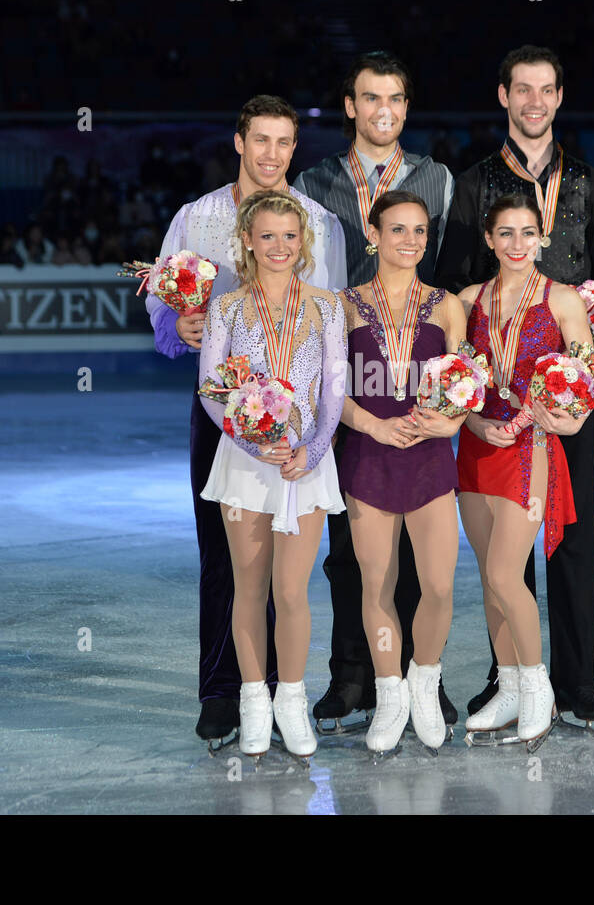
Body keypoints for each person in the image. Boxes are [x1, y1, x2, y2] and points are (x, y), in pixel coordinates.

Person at [435, 45, 594, 734]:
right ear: (503, 96)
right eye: (523, 89)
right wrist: (465, 390)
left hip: (565, 403)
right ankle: (506, 676)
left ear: (559, 98)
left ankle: (577, 682)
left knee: (573, 537)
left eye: (547, 89)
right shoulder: (472, 184)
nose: (534, 102)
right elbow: (454, 296)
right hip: (495, 406)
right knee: (497, 549)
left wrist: (577, 386)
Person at [145, 95, 347, 752]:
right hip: (225, 414)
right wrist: (178, 326)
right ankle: (222, 691)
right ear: (239, 141)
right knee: (225, 556)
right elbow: (161, 306)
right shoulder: (196, 219)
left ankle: (287, 688)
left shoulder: (317, 222)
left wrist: (318, 432)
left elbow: (334, 321)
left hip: (302, 425)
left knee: (291, 568)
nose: (271, 154)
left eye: (284, 142)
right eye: (260, 139)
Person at [292, 51, 456, 734]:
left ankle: (425, 681)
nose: (382, 109)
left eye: (394, 97)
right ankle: (353, 677)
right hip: (345, 379)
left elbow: (440, 263)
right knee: (348, 550)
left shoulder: (436, 180)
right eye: (369, 98)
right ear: (350, 106)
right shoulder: (314, 181)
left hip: (412, 378)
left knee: (423, 560)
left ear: (406, 107)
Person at [197, 189, 348, 762]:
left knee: (292, 591)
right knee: (250, 588)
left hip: (306, 462)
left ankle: (291, 700)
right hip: (247, 463)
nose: (279, 246)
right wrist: (248, 438)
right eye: (267, 236)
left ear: (302, 241)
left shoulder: (328, 306)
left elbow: (335, 387)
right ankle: (254, 702)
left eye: (289, 236)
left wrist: (314, 448)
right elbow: (212, 389)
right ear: (248, 242)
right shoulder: (227, 308)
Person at [455, 194, 594, 748]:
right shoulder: (467, 300)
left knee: (505, 574)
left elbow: (585, 385)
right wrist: (471, 422)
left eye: (528, 233)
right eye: (506, 233)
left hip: (529, 447)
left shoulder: (563, 300)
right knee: (490, 578)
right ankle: (510, 686)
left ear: (542, 237)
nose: (518, 244)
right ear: (489, 240)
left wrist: (567, 421)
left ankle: (539, 689)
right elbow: (451, 381)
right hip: (476, 449)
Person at [336, 190, 466, 755]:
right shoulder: (341, 305)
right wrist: (373, 427)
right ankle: (389, 694)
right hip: (370, 455)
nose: (410, 241)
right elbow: (330, 389)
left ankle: (424, 681)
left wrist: (452, 421)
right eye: (398, 230)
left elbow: (468, 379)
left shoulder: (447, 304)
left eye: (420, 231)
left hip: (430, 457)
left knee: (438, 585)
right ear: (374, 234)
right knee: (377, 584)